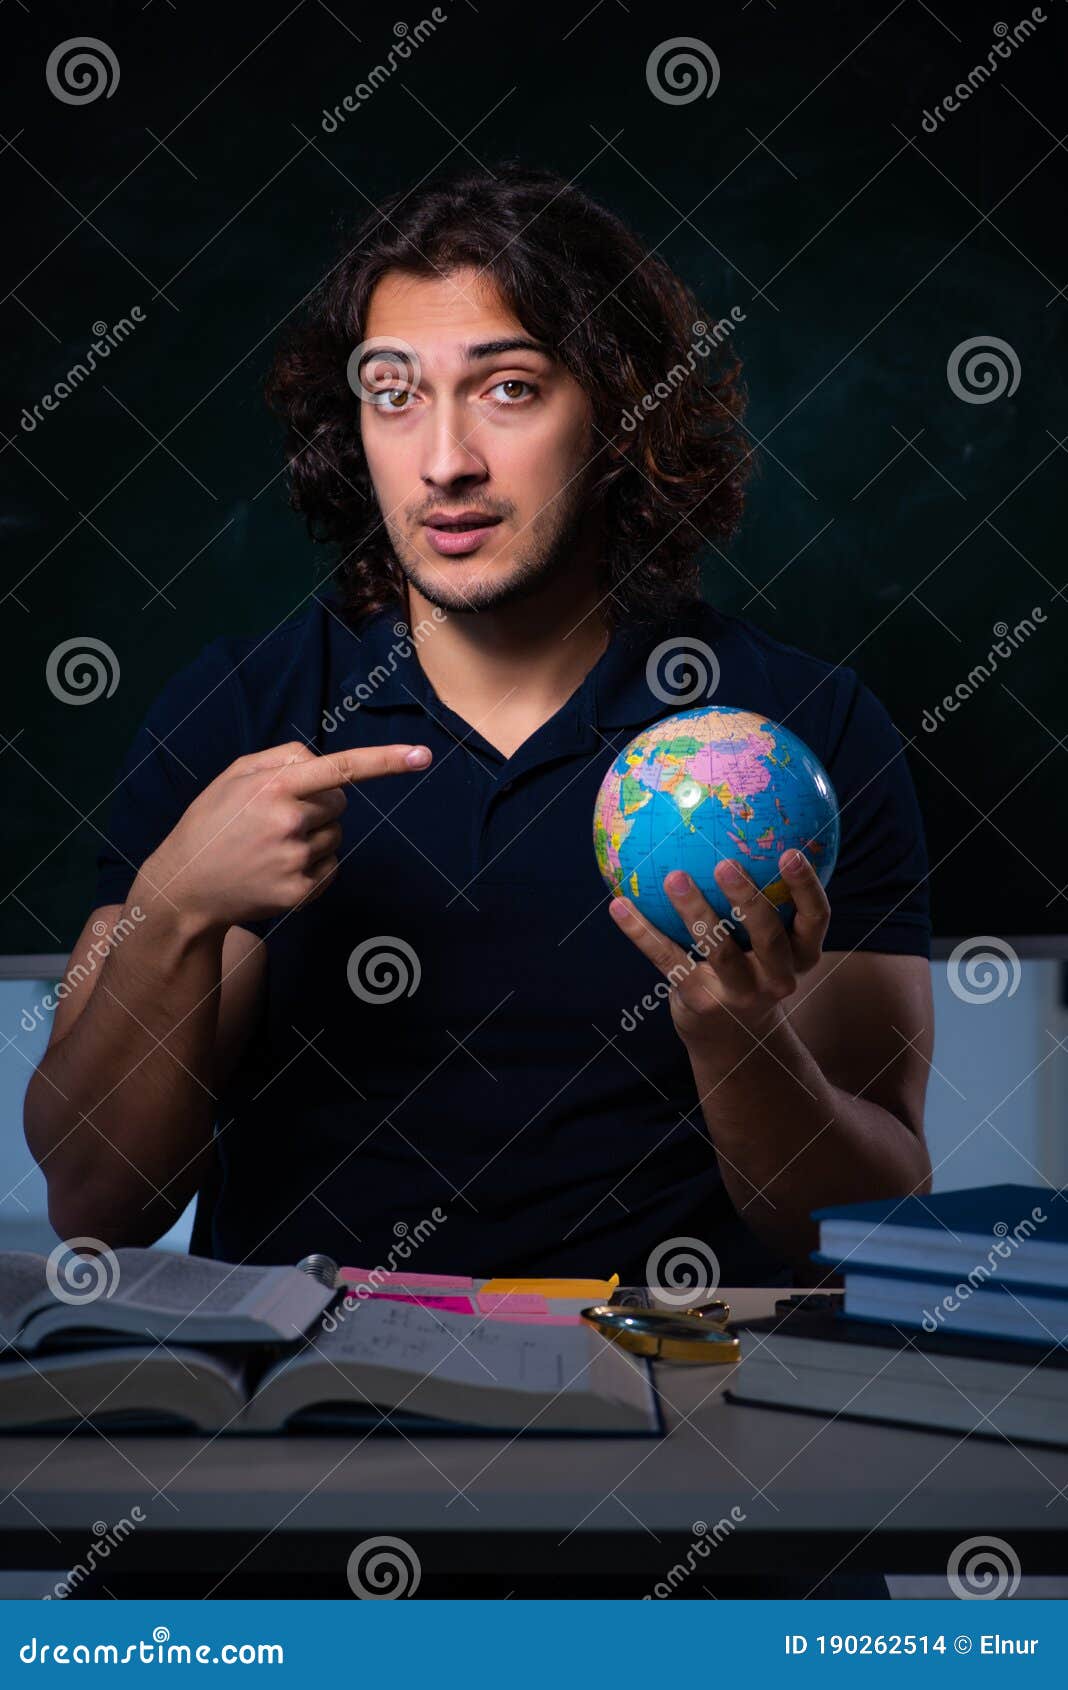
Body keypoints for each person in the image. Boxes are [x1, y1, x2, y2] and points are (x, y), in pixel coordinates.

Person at [24, 165, 933, 1301]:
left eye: (508, 389)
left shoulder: (797, 741)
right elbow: (97, 1200)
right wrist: (176, 908)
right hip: (308, 1417)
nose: (445, 460)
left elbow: (875, 1220)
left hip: (691, 1400)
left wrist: (736, 1035)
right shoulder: (240, 719)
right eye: (394, 393)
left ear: (618, 409)